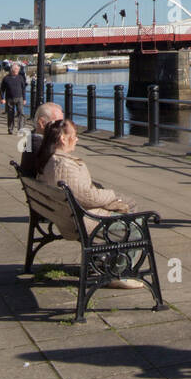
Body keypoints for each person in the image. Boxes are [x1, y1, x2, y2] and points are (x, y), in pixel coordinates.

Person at [31, 118, 142, 289]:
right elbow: (86, 196)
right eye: (74, 136)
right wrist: (110, 195)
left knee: (128, 206)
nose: (77, 139)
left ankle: (107, 260)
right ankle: (119, 273)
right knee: (136, 223)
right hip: (83, 222)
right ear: (62, 139)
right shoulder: (62, 165)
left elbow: (80, 193)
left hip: (68, 216)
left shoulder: (50, 159)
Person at [18, 100, 64, 172]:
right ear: (42, 123)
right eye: (57, 124)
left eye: (62, 124)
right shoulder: (40, 146)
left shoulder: (32, 139)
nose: (61, 129)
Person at [0, 63, 26, 134]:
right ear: (12, 70)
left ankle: (20, 128)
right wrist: (2, 98)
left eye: (18, 70)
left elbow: (23, 88)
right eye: (16, 70)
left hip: (19, 98)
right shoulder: (6, 78)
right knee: (10, 114)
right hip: (9, 98)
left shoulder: (20, 77)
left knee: (21, 113)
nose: (17, 71)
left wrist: (24, 99)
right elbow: (2, 89)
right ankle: (10, 128)